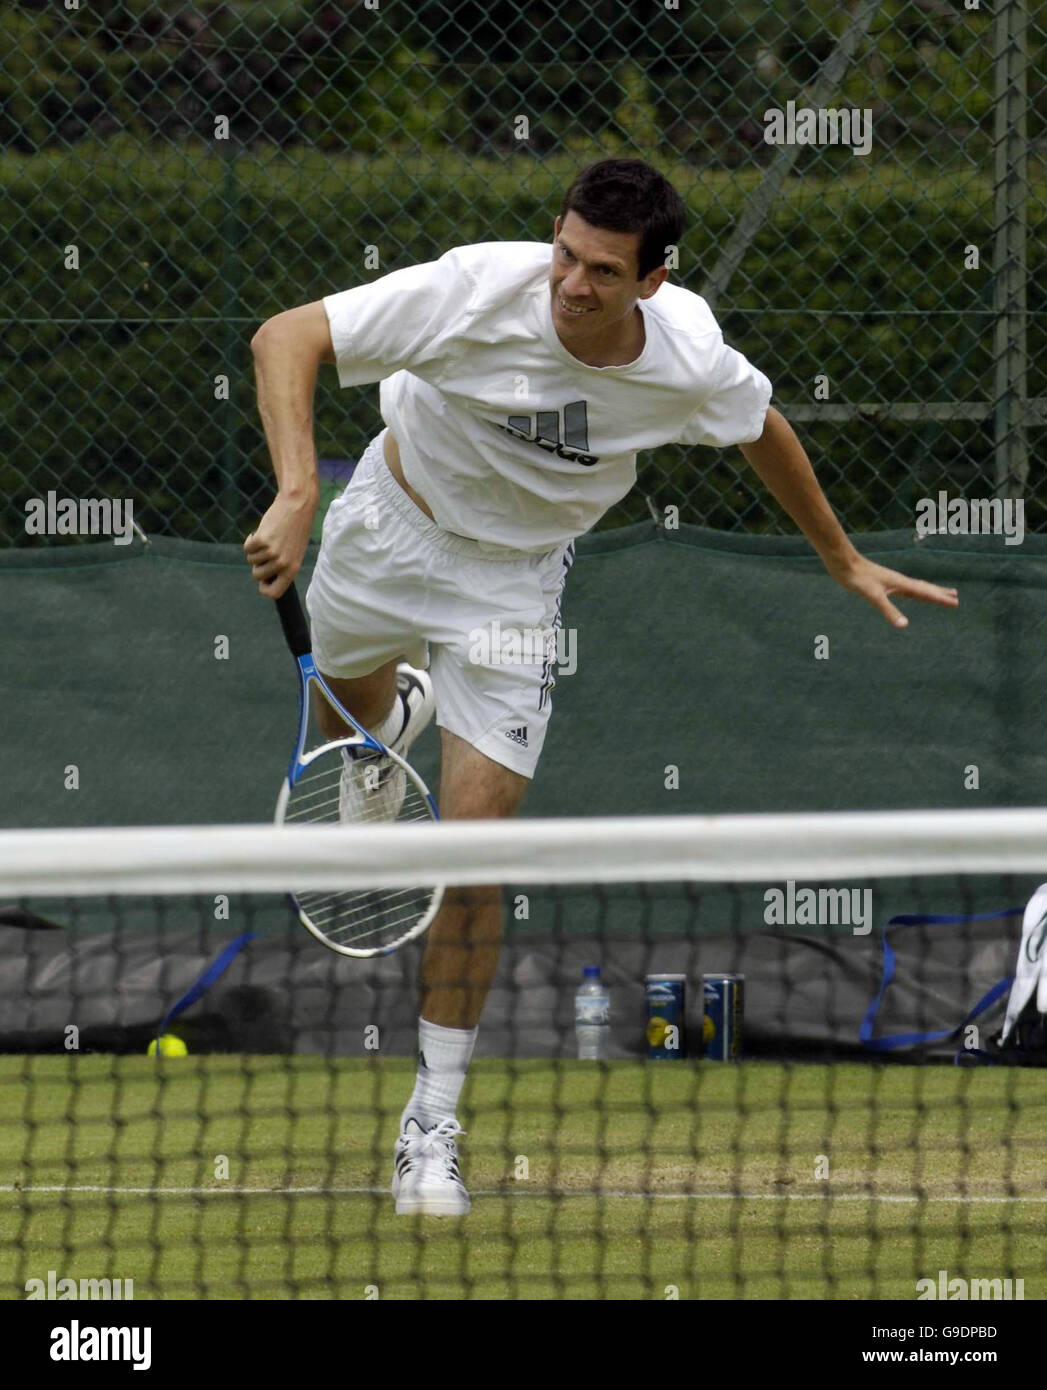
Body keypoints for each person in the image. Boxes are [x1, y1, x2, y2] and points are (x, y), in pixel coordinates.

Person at [244, 158, 958, 1216]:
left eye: (603, 272)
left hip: (513, 588)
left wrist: (841, 557)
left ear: (652, 283)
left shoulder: (688, 356)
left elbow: (760, 425)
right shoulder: (475, 289)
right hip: (386, 530)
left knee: (474, 861)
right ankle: (378, 731)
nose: (573, 285)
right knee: (339, 721)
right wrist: (300, 488)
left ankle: (431, 1123)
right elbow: (285, 335)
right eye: (566, 256)